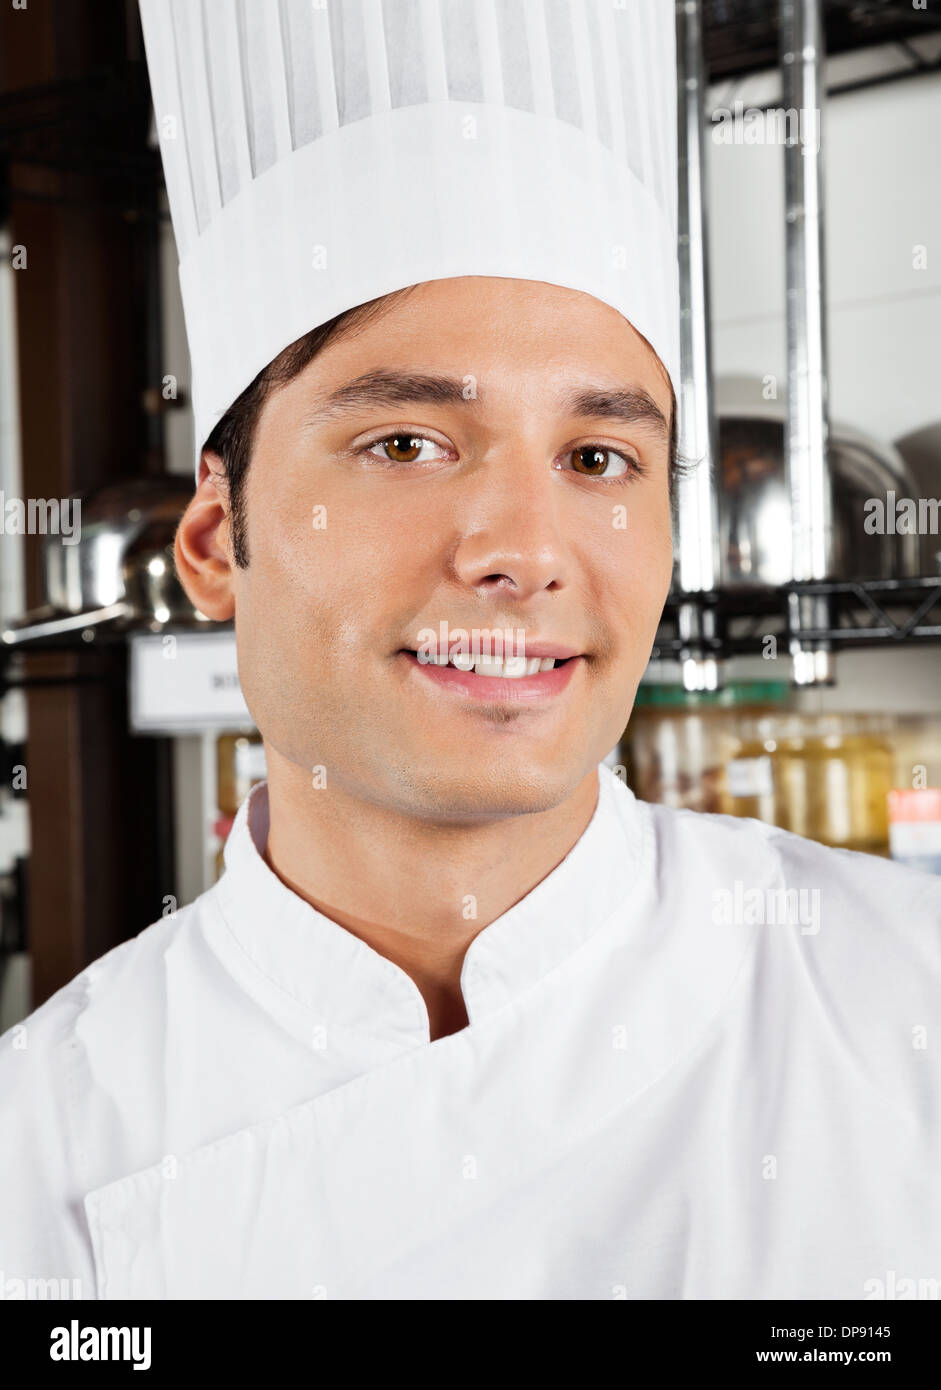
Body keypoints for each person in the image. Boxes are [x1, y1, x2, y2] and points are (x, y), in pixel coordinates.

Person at [2, 0, 940, 1301]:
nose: (524, 547)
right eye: (405, 444)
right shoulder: (43, 1134)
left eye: (597, 456)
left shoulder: (908, 992)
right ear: (214, 541)